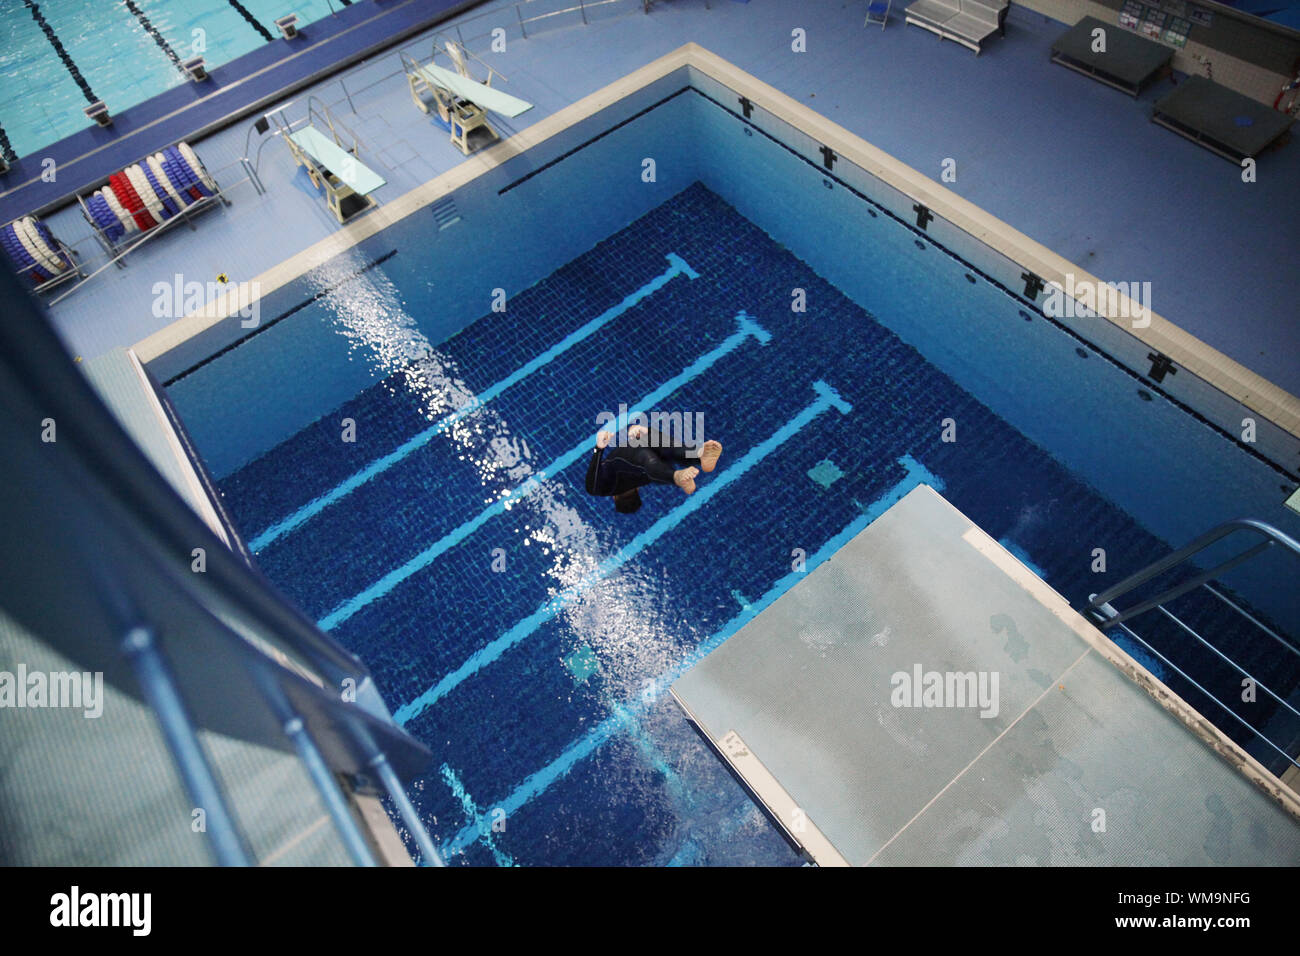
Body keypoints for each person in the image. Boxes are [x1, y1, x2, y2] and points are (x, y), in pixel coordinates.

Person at [584, 423, 722, 514]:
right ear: (614, 498)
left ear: (638, 491)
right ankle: (696, 457)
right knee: (668, 450)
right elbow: (592, 479)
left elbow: (655, 465)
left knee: (661, 456)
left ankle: (688, 465)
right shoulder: (602, 488)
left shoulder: (650, 478)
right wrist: (599, 449)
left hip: (651, 463)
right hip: (637, 454)